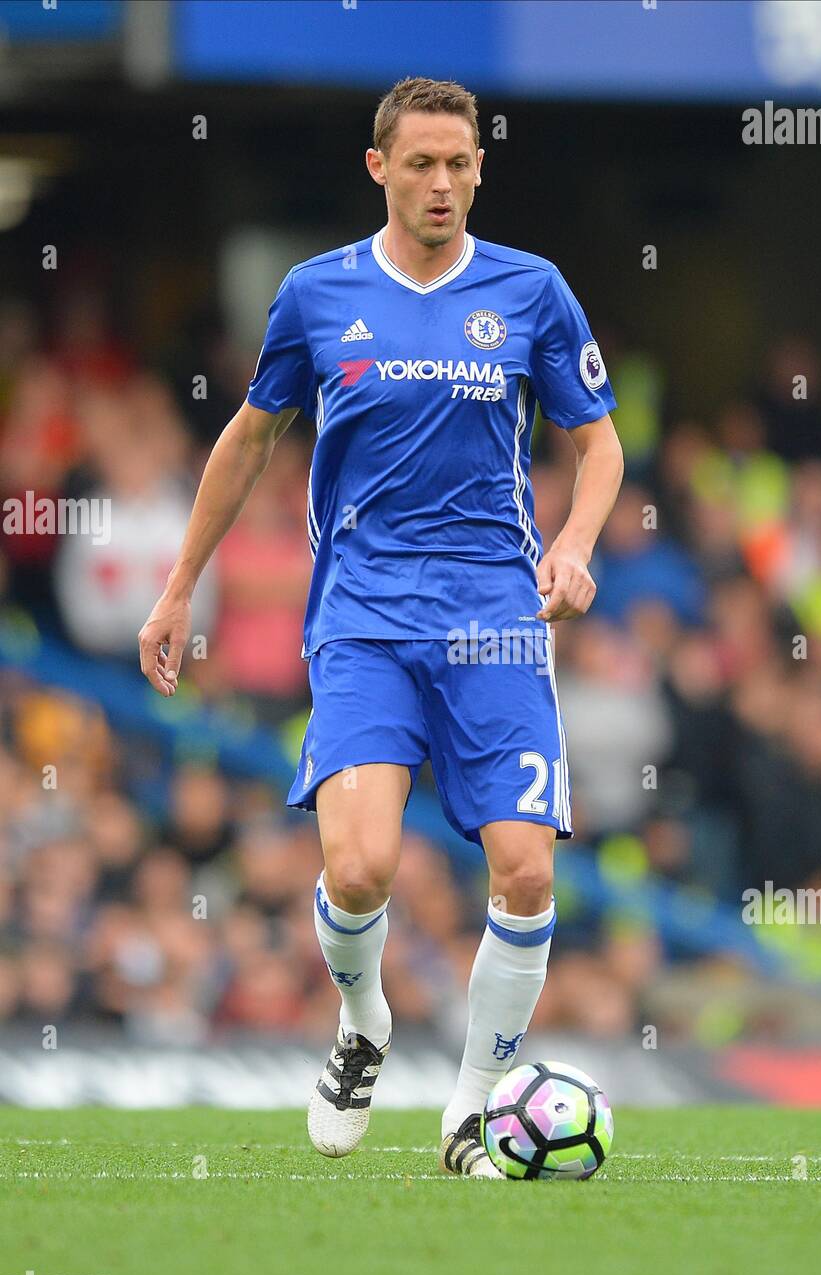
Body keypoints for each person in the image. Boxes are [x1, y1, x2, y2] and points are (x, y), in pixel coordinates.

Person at [139, 77, 623, 1177]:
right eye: (420, 163)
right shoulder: (316, 295)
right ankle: (361, 1025)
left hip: (496, 616)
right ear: (379, 169)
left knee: (526, 874)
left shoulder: (531, 291)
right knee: (358, 873)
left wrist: (578, 541)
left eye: (458, 163)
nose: (441, 182)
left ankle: (469, 1106)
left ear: (478, 170)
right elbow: (249, 441)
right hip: (361, 615)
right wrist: (178, 587)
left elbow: (598, 446)